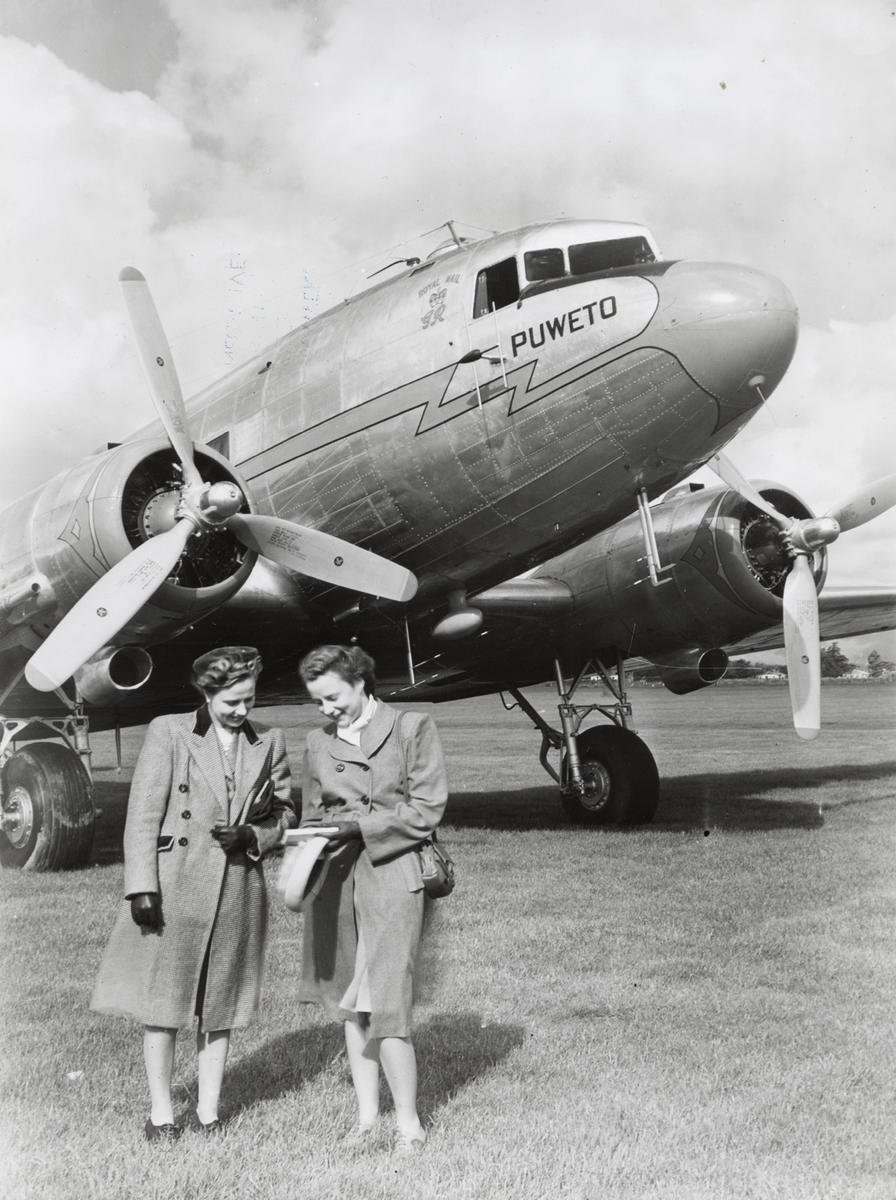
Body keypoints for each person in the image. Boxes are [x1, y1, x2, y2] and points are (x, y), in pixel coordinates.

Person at [91, 646, 296, 1140]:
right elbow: (143, 814)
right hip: (176, 884)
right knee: (163, 1004)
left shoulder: (269, 741)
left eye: (249, 700)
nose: (242, 710)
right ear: (206, 692)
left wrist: (255, 835)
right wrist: (142, 887)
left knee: (220, 1006)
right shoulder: (169, 731)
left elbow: (287, 812)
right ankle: (162, 1114)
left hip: (237, 887)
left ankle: (208, 1113)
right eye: (232, 702)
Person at [295, 643, 448, 1153]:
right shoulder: (317, 742)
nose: (327, 710)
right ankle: (365, 1121)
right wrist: (307, 846)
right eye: (318, 702)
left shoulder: (411, 727)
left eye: (334, 698)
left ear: (360, 682)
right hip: (336, 881)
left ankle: (409, 1126)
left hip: (393, 875)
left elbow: (426, 809)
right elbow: (311, 815)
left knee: (387, 1002)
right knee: (351, 1004)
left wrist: (358, 828)